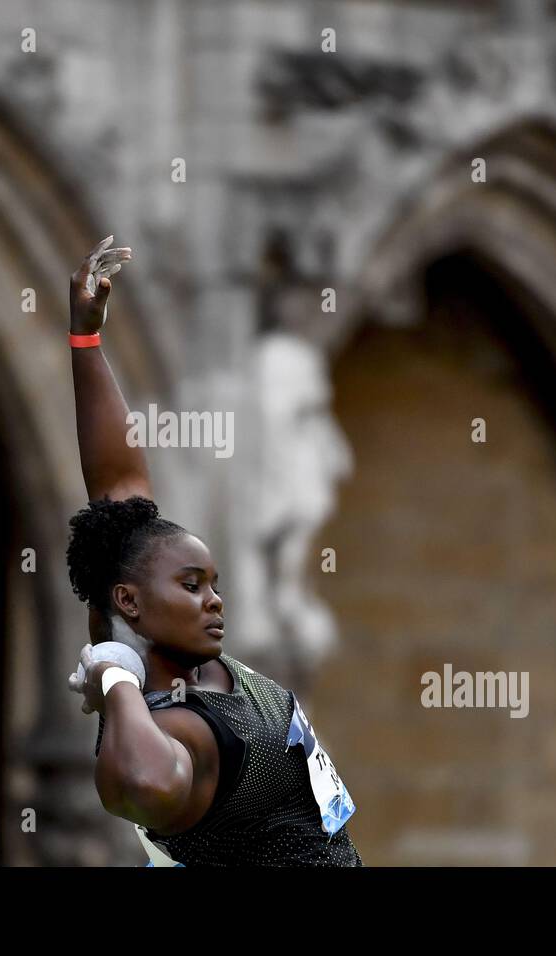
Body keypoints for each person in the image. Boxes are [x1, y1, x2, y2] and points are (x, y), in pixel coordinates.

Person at [63, 235, 362, 866]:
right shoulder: (175, 727)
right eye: (192, 586)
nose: (215, 600)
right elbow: (147, 783)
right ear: (130, 604)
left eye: (213, 582)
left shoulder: (202, 672)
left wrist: (86, 342)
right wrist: (114, 672)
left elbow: (119, 482)